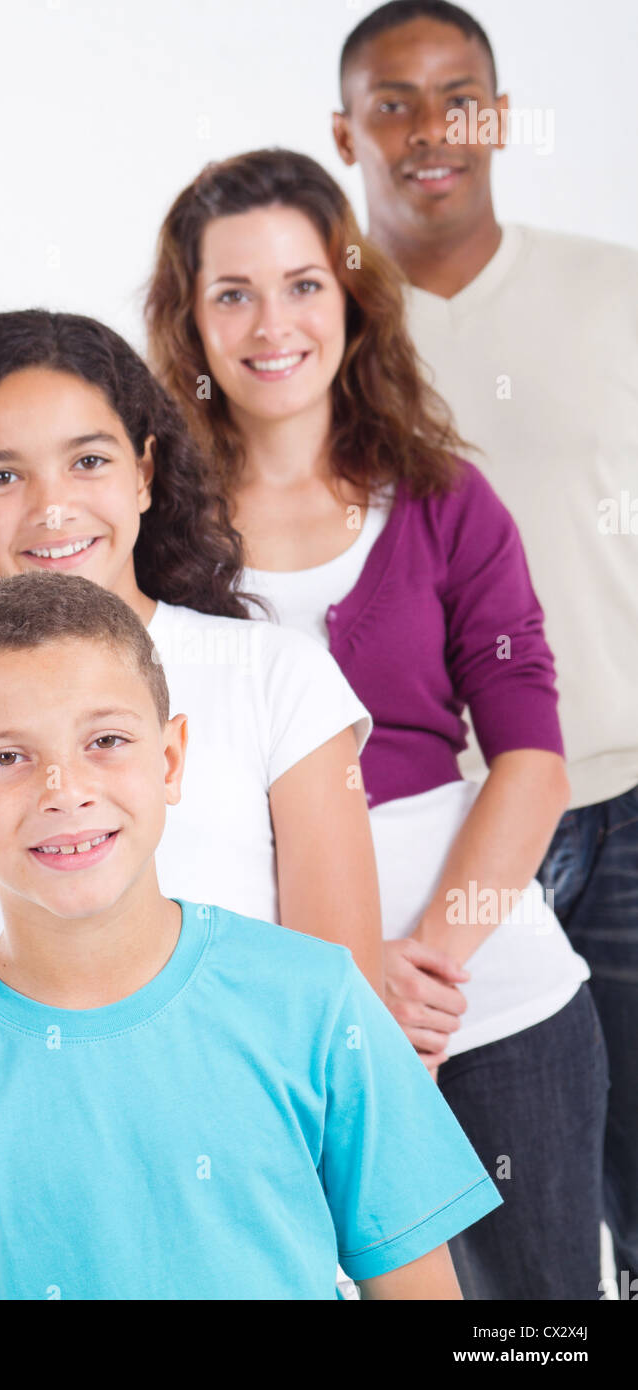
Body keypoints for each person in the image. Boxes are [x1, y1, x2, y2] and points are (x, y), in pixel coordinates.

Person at [144, 146, 608, 1299]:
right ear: (189, 320)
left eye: (303, 283)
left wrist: (425, 963)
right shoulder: (156, 532)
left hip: (487, 1007)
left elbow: (531, 761)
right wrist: (341, 982)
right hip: (274, 1028)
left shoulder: (447, 500)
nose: (272, 323)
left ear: (350, 292)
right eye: (231, 292)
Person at [0, 571, 501, 1300]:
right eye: (6, 757)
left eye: (104, 740)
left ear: (169, 760)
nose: (64, 790)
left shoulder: (318, 1002)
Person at [0, 310, 381, 1036]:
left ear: (144, 474)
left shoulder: (276, 679)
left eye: (88, 461)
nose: (52, 508)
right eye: (1, 476)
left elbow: (346, 1018)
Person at [332, 0, 638, 1294]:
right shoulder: (313, 332)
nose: (425, 131)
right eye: (388, 103)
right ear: (342, 132)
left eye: (454, 96)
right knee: (505, 1241)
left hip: (623, 793)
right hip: (429, 835)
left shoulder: (612, 292)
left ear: (499, 118)